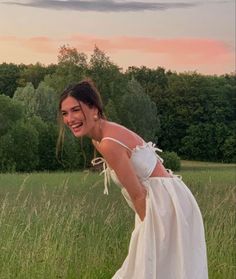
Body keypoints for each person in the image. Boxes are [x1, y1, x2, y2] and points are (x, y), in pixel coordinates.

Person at [58, 78, 208, 279]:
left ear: (93, 108)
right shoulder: (99, 138)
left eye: (76, 110)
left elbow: (138, 194)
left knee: (147, 268)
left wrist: (149, 231)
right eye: (65, 113)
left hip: (164, 206)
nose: (70, 119)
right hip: (164, 200)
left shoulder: (109, 143)